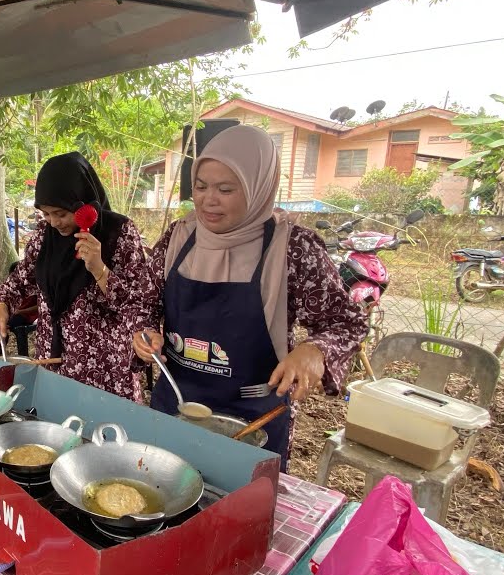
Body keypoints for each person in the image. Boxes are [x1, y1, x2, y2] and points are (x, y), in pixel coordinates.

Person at [133, 125, 365, 464]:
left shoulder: (292, 249)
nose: (208, 199)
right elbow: (143, 301)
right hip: (175, 406)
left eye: (225, 189)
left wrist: (315, 350)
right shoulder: (178, 238)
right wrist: (144, 332)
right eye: (200, 186)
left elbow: (347, 323)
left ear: (259, 187)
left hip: (254, 422)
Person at [0, 152, 156, 401]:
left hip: (105, 371)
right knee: (53, 422)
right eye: (46, 214)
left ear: (83, 204)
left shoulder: (118, 234)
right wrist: (2, 306)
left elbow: (139, 305)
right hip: (53, 363)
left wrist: (99, 269)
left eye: (61, 213)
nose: (54, 222)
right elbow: (19, 281)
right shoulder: (45, 236)